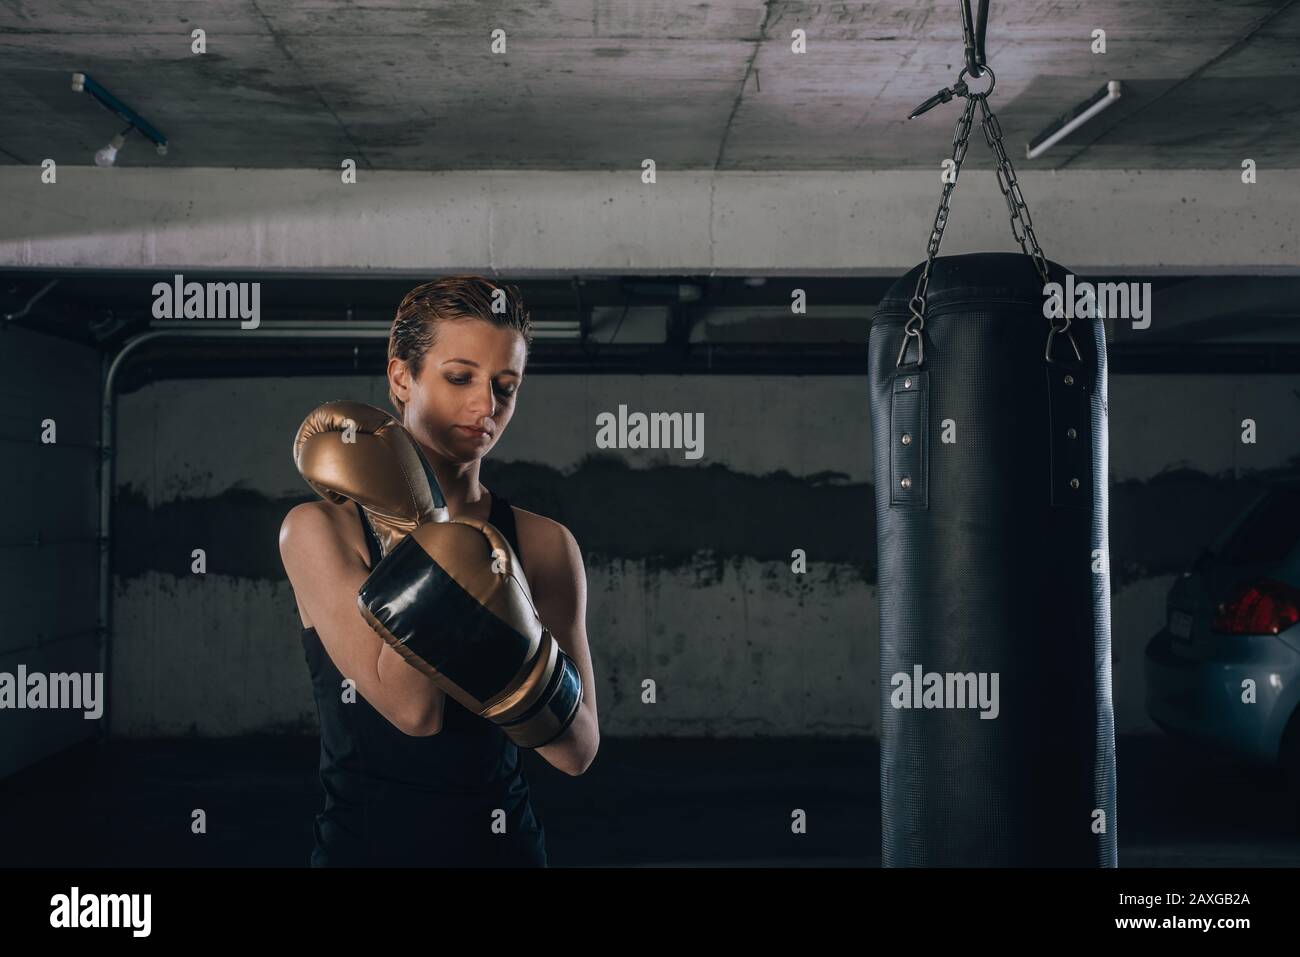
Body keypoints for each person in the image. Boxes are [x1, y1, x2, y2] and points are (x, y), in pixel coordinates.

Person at [278, 275, 599, 866]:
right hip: (363, 852)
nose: (486, 406)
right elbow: (414, 713)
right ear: (401, 376)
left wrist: (525, 661)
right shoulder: (319, 531)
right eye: (459, 378)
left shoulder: (546, 544)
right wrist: (423, 529)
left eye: (506, 386)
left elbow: (577, 749)